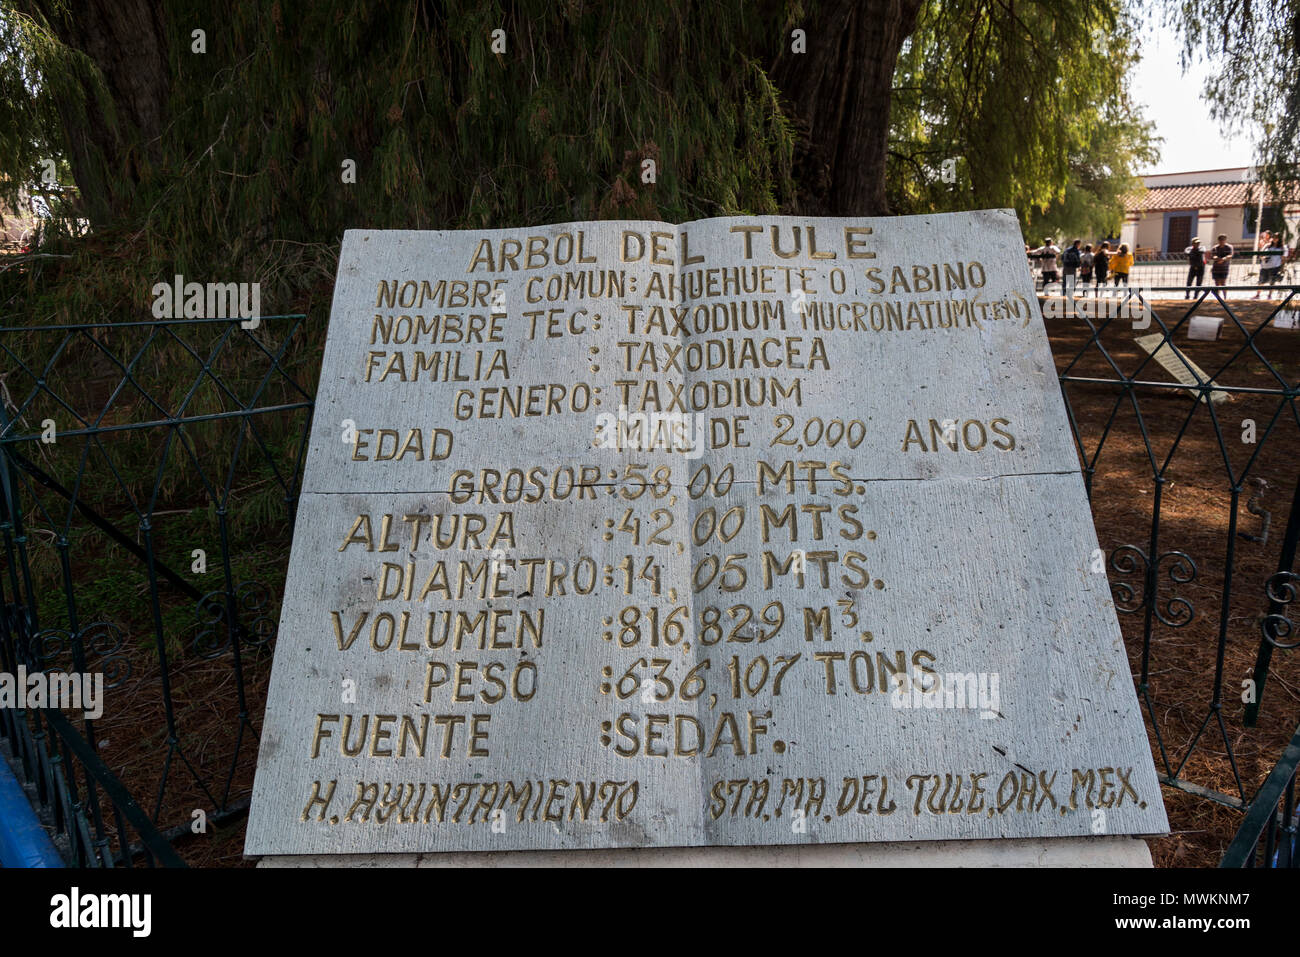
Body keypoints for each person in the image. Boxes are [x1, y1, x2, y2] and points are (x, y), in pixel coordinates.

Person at [1255, 231, 1285, 298]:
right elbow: (1261, 253)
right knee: (1261, 281)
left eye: (1277, 237)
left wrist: (1282, 268)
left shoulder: (1281, 248)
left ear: (1279, 239)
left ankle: (1269, 295)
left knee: (1272, 282)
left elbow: (1283, 259)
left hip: (1275, 267)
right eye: (1274, 237)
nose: (1275, 239)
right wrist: (1263, 257)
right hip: (1265, 266)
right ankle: (1257, 294)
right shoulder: (1267, 245)